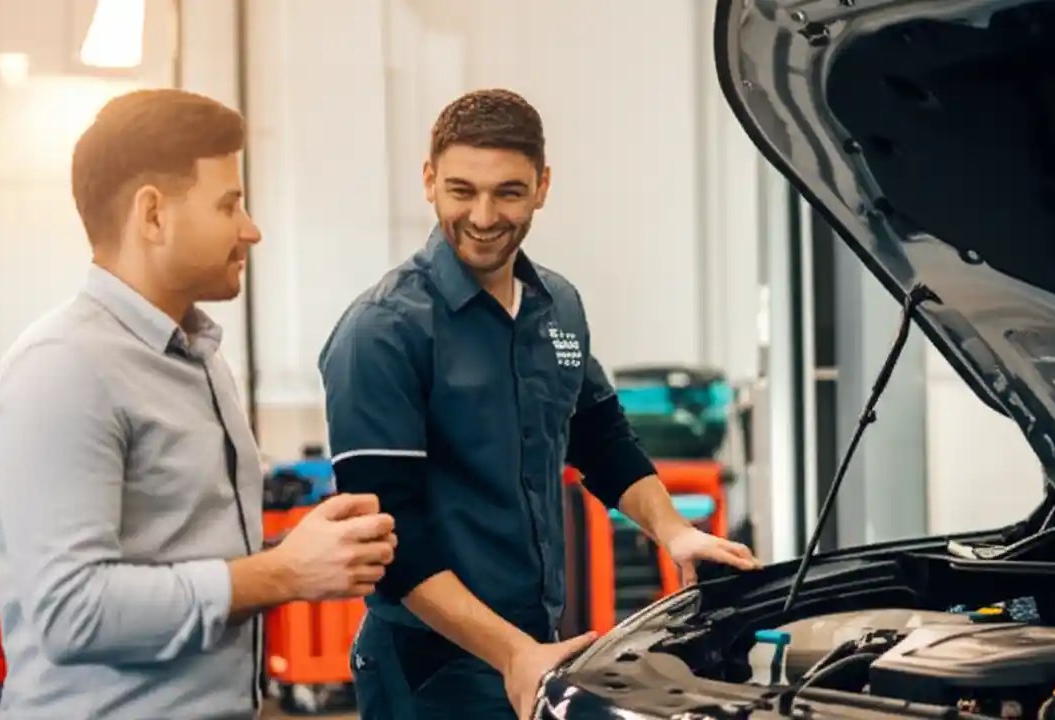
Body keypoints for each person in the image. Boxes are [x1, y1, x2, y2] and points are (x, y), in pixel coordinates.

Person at [318, 88, 760, 720]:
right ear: (428, 180)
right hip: (429, 668)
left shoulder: (557, 305)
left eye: (509, 192)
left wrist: (674, 530)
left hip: (534, 646)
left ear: (543, 186)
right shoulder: (382, 331)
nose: (483, 215)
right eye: (461, 190)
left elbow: (601, 438)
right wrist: (514, 654)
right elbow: (392, 539)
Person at [0, 88, 397, 720]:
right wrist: (283, 573)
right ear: (152, 215)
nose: (250, 229)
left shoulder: (197, 356)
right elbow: (71, 611)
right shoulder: (63, 370)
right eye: (229, 204)